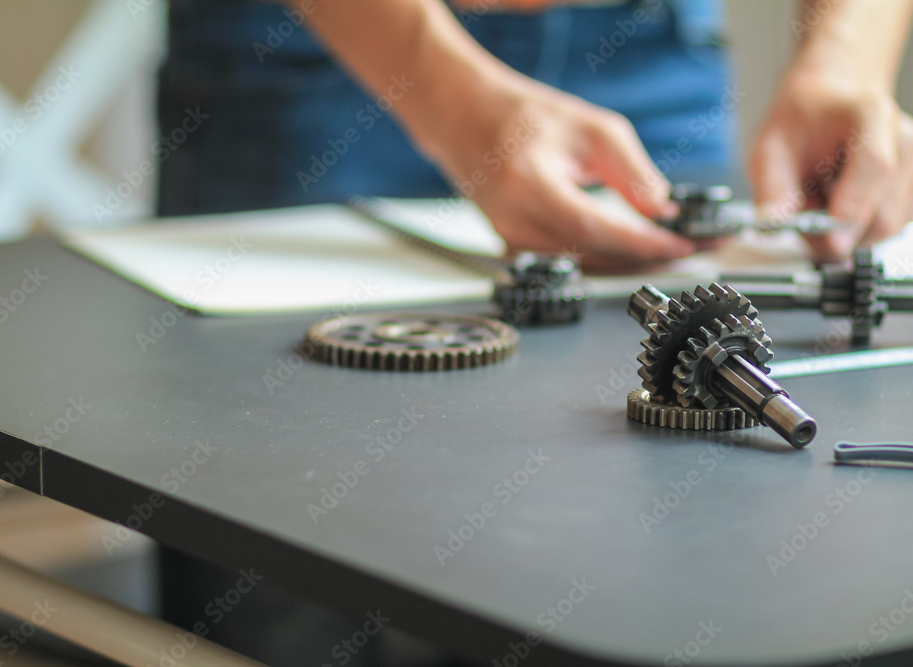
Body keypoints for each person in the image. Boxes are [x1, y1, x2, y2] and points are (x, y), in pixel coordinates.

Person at [155, 0, 913, 663]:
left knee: (672, 553)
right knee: (281, 558)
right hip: (325, 51)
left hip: (649, 46)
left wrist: (844, 63)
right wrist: (434, 80)